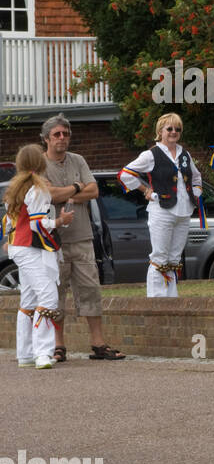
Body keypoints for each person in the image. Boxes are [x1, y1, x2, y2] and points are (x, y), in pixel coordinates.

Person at [40, 113, 125, 360]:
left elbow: (94, 190)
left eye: (65, 134)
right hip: (53, 240)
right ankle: (58, 346)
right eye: (57, 134)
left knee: (90, 289)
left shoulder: (78, 160)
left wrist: (67, 194)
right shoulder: (40, 164)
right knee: (56, 293)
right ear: (46, 138)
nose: (62, 138)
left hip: (83, 236)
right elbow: (49, 195)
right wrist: (77, 188)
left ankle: (98, 344)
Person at [118, 113, 203, 297]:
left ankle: (171, 297)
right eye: (169, 129)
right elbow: (125, 174)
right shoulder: (151, 154)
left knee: (174, 257)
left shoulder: (184, 154)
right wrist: (145, 190)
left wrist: (195, 193)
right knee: (159, 256)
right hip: (161, 210)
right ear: (160, 131)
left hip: (184, 211)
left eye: (177, 129)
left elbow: (196, 177)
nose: (174, 132)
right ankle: (156, 299)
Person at [3, 144, 73, 368]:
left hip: (18, 247)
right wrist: (60, 222)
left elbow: (8, 222)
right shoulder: (38, 188)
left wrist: (9, 240)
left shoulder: (14, 188)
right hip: (31, 248)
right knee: (48, 297)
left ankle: (25, 353)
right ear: (41, 163)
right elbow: (38, 224)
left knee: (29, 300)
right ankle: (42, 353)